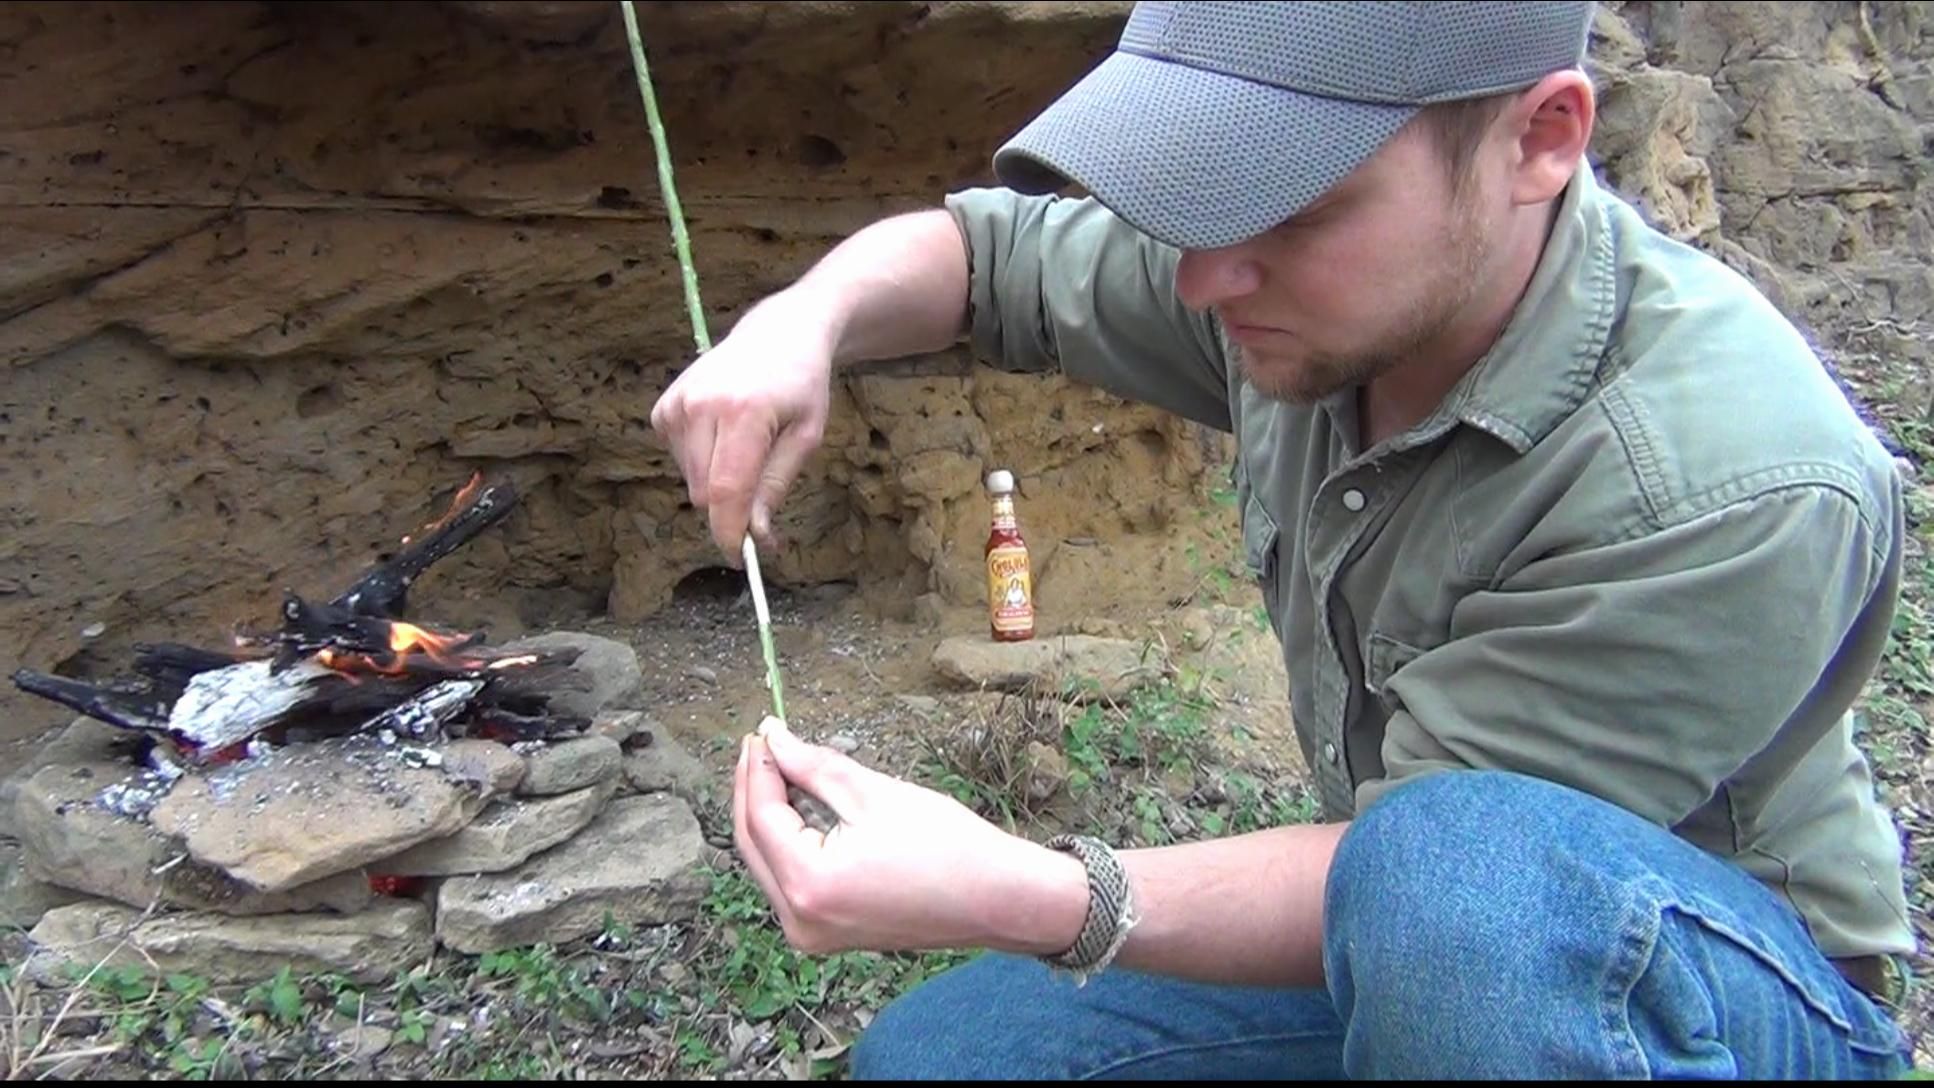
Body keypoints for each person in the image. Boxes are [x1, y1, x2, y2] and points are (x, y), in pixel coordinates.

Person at [649, 0, 1919, 1078]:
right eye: (1200, 194)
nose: (1204, 279)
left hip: (1705, 994)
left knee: (1458, 891)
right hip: (1424, 933)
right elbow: (988, 255)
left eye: (1290, 202)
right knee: (944, 1061)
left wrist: (1020, 888)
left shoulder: (1726, 476)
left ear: (1540, 138)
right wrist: (801, 321)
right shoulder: (1290, 280)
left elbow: (1457, 884)